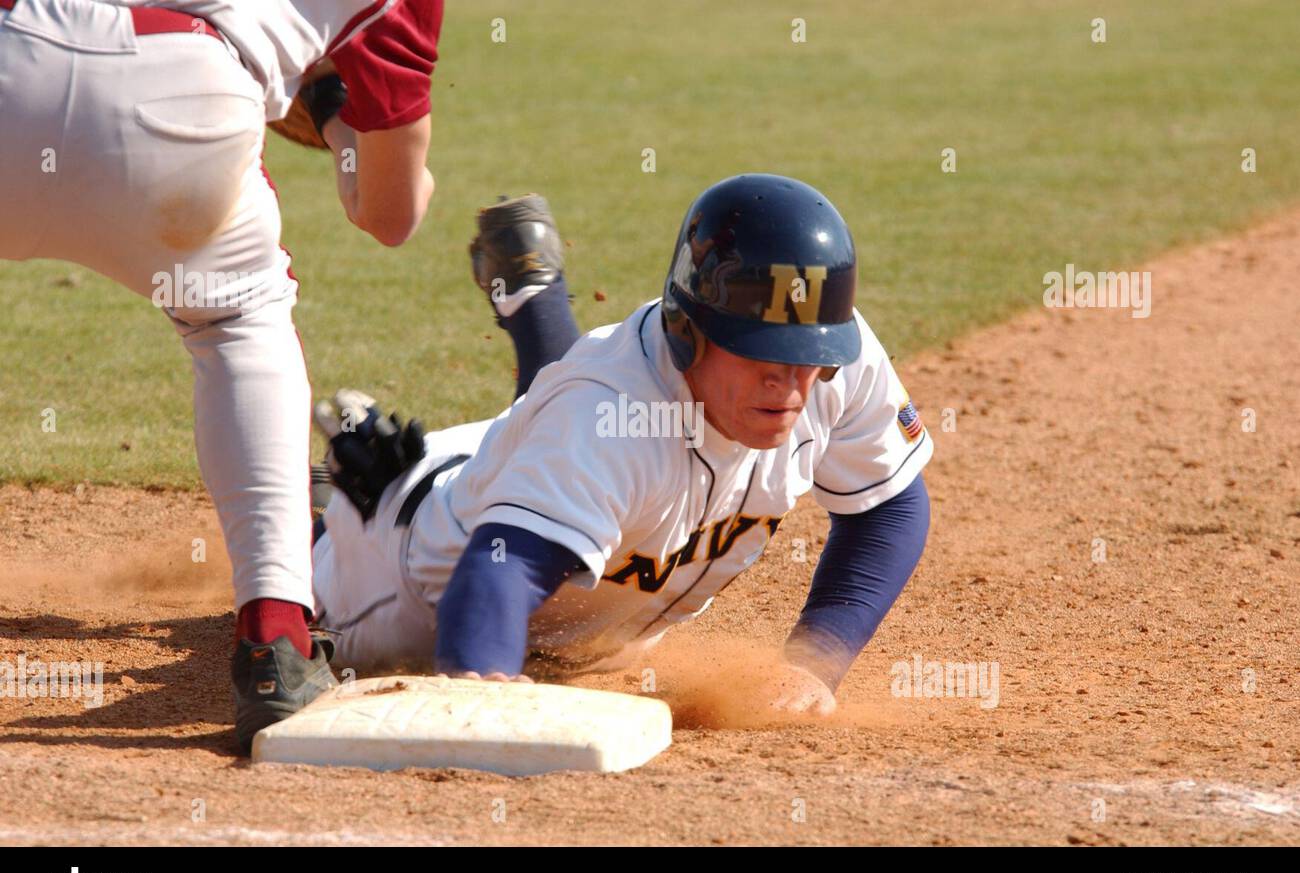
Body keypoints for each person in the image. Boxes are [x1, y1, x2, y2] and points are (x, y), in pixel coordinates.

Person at [309, 175, 933, 717]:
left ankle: (536, 301)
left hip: (563, 496)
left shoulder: (834, 356)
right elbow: (499, 566)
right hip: (411, 583)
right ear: (688, 333)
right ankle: (329, 513)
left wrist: (814, 664)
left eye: (809, 358)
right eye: (763, 353)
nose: (789, 382)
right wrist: (484, 692)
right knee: (303, 589)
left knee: (572, 448)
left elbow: (890, 507)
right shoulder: (606, 415)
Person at [0, 0, 445, 750]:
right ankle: (278, 640)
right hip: (183, 105)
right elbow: (388, 214)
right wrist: (340, 120)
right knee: (240, 318)